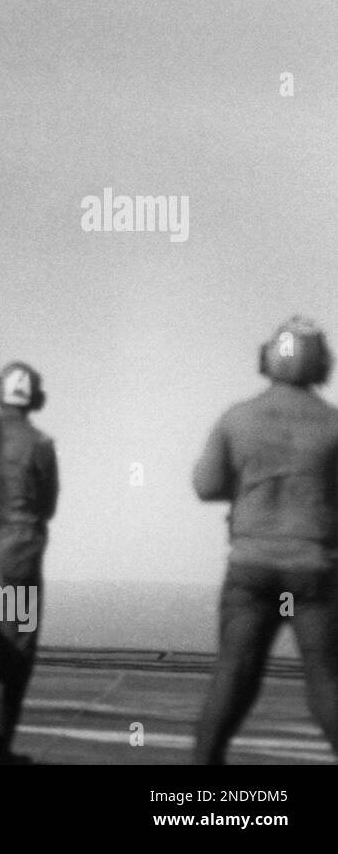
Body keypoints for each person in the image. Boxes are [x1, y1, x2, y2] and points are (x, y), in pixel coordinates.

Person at [192, 316, 338, 764]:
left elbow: (206, 485)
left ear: (267, 358)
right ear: (322, 364)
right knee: (326, 680)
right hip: (314, 570)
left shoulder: (238, 418)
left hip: (252, 567)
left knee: (234, 673)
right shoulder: (333, 425)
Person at [0, 361, 58, 764]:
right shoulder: (41, 443)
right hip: (21, 562)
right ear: (36, 398)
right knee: (19, 645)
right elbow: (47, 505)